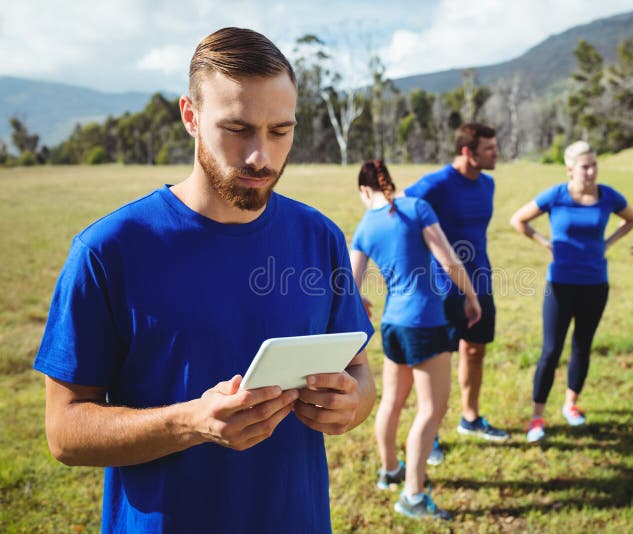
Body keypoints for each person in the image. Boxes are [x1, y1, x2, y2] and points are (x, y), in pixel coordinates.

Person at [33, 27, 375, 533]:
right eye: (237, 129)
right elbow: (64, 431)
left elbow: (361, 373)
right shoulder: (108, 250)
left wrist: (352, 404)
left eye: (281, 131)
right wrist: (189, 423)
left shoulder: (318, 236)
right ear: (190, 118)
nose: (261, 156)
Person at [350, 160, 481, 520]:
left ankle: (390, 470)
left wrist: (361, 302)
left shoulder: (365, 226)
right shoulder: (416, 208)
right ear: (388, 182)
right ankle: (412, 495)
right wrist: (471, 296)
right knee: (431, 409)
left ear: (364, 191)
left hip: (393, 324)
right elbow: (449, 259)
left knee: (392, 401)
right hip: (425, 321)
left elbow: (350, 284)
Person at [509, 140, 633, 442]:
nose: (591, 171)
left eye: (594, 165)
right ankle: (537, 418)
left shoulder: (608, 196)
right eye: (584, 166)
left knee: (582, 345)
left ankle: (570, 404)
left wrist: (608, 243)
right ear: (570, 169)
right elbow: (519, 220)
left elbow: (631, 220)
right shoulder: (556, 196)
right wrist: (546, 243)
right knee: (551, 350)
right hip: (561, 284)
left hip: (595, 284)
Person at [403, 123, 507, 464]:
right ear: (468, 152)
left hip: (482, 281)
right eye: (489, 148)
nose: (496, 153)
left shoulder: (488, 184)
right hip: (443, 288)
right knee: (438, 361)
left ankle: (471, 418)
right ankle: (429, 433)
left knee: (475, 351)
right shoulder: (437, 184)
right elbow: (401, 207)